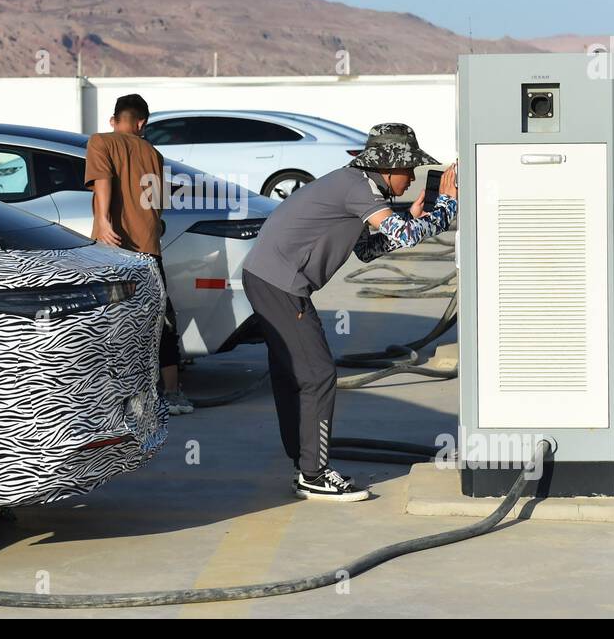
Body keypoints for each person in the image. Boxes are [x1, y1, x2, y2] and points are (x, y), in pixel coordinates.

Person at [241, 123, 457, 501]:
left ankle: (304, 461)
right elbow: (405, 236)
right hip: (280, 284)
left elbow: (368, 250)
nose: (411, 178)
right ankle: (314, 473)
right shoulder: (358, 188)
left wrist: (413, 215)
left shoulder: (355, 186)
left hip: (267, 278)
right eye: (408, 170)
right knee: (319, 374)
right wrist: (448, 207)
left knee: (294, 374)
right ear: (389, 166)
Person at [84, 94, 192, 415]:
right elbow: (155, 209)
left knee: (113, 322)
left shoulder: (101, 142)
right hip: (148, 253)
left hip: (113, 249)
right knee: (161, 320)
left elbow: (103, 181)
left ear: (114, 120)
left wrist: (103, 221)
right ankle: (172, 394)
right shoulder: (154, 154)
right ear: (142, 123)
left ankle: (118, 397)